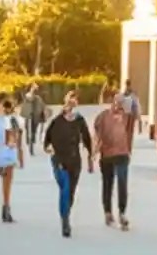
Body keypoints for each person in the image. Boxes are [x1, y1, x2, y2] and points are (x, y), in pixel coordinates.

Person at [44, 90, 94, 238]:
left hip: (75, 161)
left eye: (75, 100)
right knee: (65, 188)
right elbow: (47, 140)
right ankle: (65, 221)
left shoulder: (79, 121)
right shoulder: (57, 120)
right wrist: (49, 149)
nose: (73, 103)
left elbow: (87, 139)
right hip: (59, 160)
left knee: (71, 191)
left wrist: (91, 157)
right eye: (70, 100)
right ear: (66, 102)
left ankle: (66, 212)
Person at [93, 87, 133, 230]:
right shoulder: (103, 116)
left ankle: (122, 212)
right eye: (116, 101)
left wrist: (129, 150)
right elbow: (97, 135)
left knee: (122, 183)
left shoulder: (127, 117)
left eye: (121, 102)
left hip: (122, 154)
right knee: (107, 184)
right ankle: (108, 211)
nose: (119, 105)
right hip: (107, 155)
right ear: (111, 102)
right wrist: (94, 153)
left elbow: (130, 132)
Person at [0, 98, 23, 223]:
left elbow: (17, 138)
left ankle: (6, 210)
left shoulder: (13, 120)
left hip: (9, 157)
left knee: (7, 183)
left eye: (9, 106)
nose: (7, 108)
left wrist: (19, 156)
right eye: (4, 105)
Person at [19, 84, 46, 156]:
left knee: (34, 129)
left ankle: (32, 139)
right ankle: (29, 139)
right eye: (33, 87)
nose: (35, 89)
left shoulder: (38, 98)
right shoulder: (27, 96)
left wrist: (43, 113)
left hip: (35, 116)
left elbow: (42, 106)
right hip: (28, 115)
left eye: (35, 87)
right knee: (27, 128)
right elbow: (25, 103)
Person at [120, 79, 142, 150]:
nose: (127, 86)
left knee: (128, 132)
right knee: (127, 132)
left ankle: (128, 146)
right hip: (127, 115)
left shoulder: (130, 95)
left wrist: (138, 116)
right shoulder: (125, 94)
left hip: (129, 115)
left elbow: (136, 105)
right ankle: (127, 146)